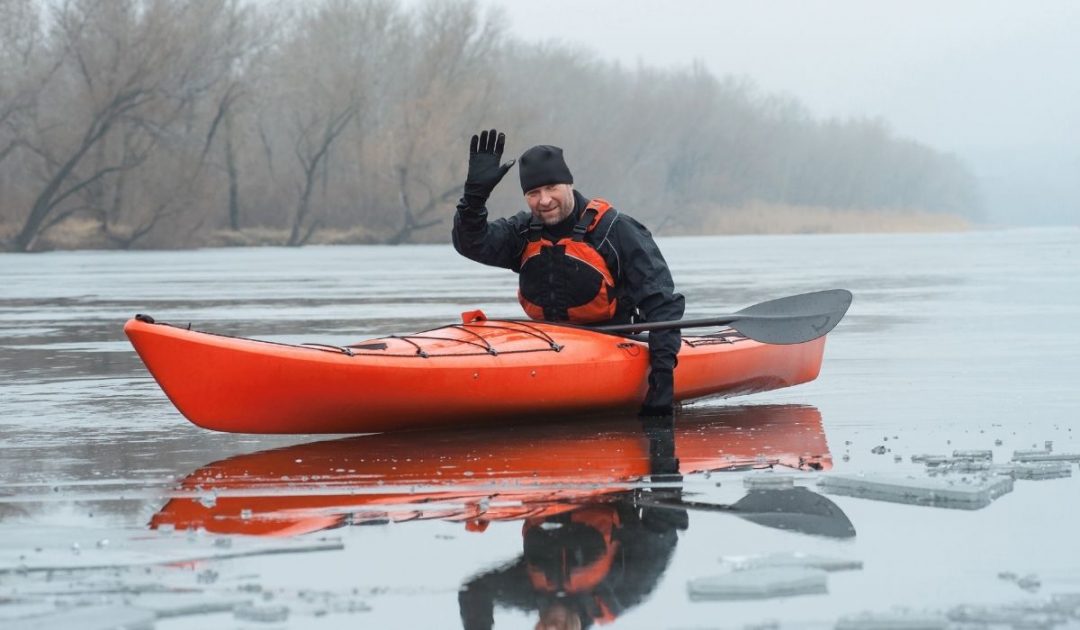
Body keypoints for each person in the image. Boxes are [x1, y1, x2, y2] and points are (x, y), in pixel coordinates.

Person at [452, 129, 685, 415]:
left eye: (552, 188)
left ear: (568, 184)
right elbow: (471, 243)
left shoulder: (614, 229)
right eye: (533, 193)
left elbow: (661, 303)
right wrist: (474, 198)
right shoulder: (523, 231)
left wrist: (662, 378)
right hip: (546, 345)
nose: (544, 200)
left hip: (614, 342)